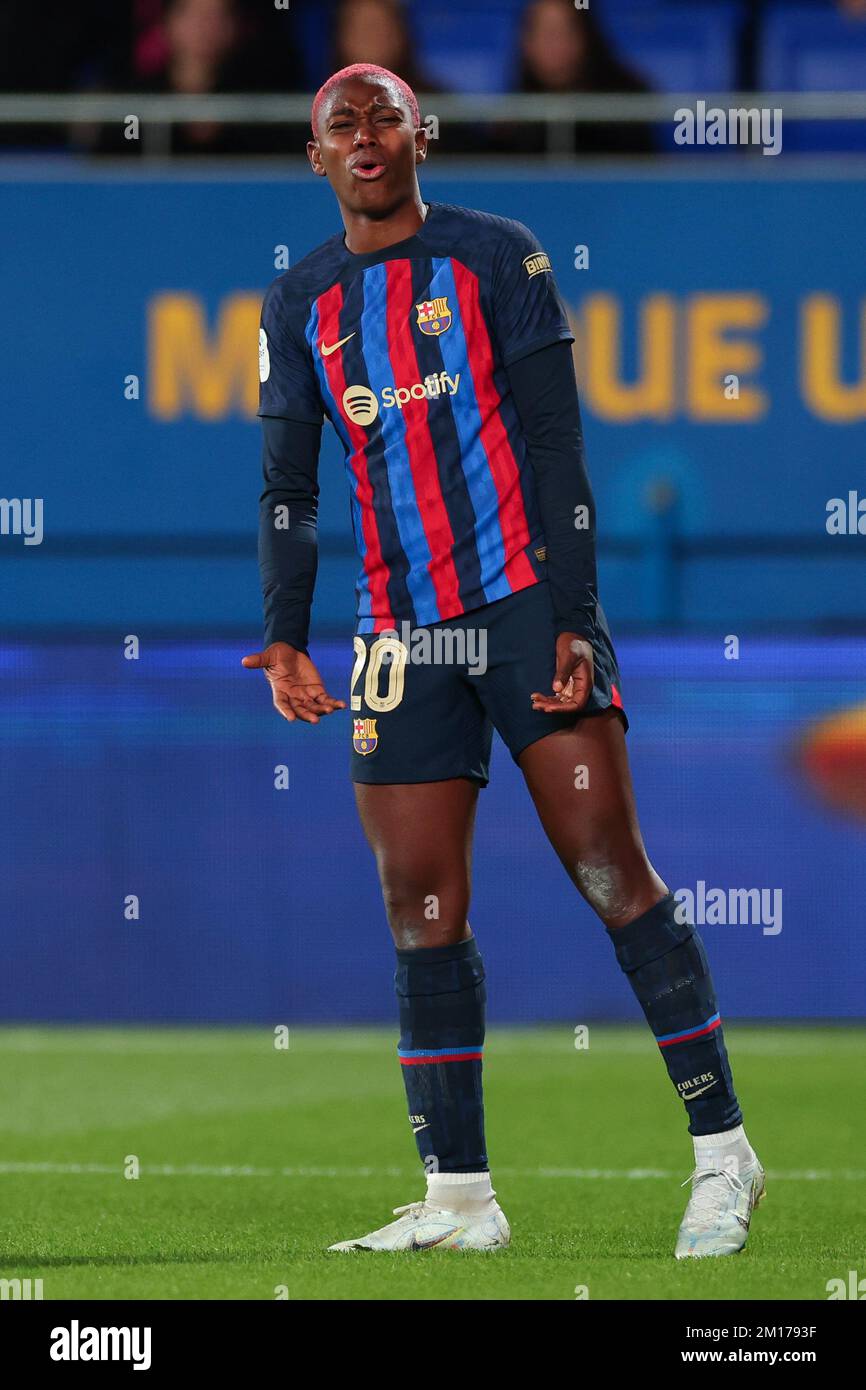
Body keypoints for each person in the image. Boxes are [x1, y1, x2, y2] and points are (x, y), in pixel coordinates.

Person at [243, 62, 764, 1256]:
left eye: (383, 115)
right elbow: (287, 484)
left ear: (419, 134)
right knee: (417, 903)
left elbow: (553, 443)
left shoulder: (496, 258)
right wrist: (284, 631)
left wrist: (575, 617)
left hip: (527, 603)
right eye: (340, 123)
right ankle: (460, 1199)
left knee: (602, 865)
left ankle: (722, 1154)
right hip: (397, 631)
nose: (365, 136)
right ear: (315, 157)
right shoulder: (298, 303)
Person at [501, 0, 654, 157]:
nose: (554, 45)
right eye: (544, 32)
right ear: (526, 42)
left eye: (563, 31)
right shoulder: (510, 122)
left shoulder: (626, 109)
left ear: (585, 37)